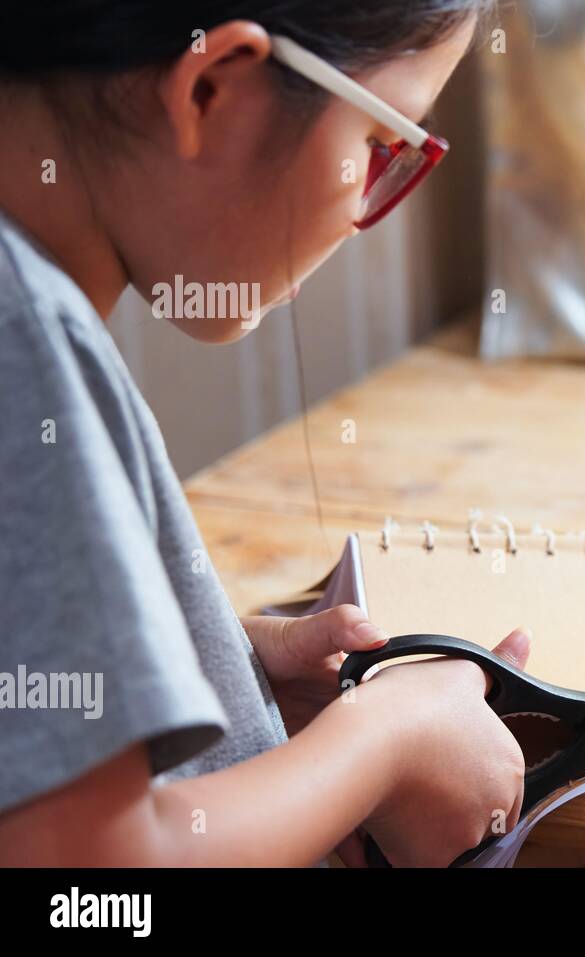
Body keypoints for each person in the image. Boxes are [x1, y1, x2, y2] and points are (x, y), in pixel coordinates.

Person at [0, 1, 529, 867]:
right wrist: (380, 748)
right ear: (214, 90)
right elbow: (86, 883)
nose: (364, 203)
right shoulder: (23, 343)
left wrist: (205, 659)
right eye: (379, 145)